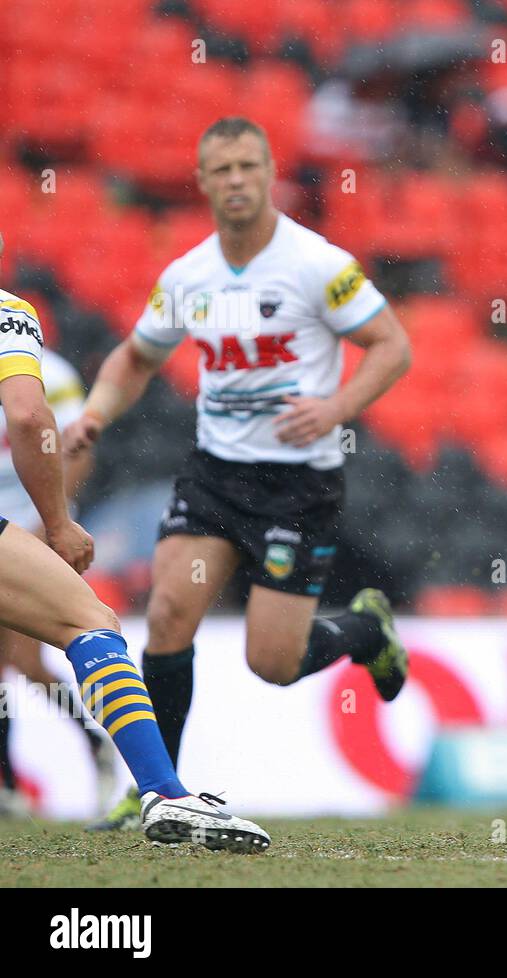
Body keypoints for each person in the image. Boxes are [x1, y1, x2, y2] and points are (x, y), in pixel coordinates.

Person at [63, 117, 412, 831]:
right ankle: (155, 789)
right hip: (215, 477)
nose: (237, 181)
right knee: (165, 615)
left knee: (272, 662)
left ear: (269, 170)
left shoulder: (316, 263)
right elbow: (136, 355)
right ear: (202, 182)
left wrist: (336, 406)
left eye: (249, 166)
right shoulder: (190, 276)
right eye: (222, 171)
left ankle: (365, 630)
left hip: (297, 485)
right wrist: (96, 413)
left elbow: (391, 346)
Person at [0, 233, 268, 851]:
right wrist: (59, 523)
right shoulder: (9, 311)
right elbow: (29, 417)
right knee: (89, 623)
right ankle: (165, 794)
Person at [0, 346, 115, 816]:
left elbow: (76, 448)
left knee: (24, 661)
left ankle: (92, 742)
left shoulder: (49, 371)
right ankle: (8, 780)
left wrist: (51, 520)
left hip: (34, 519)